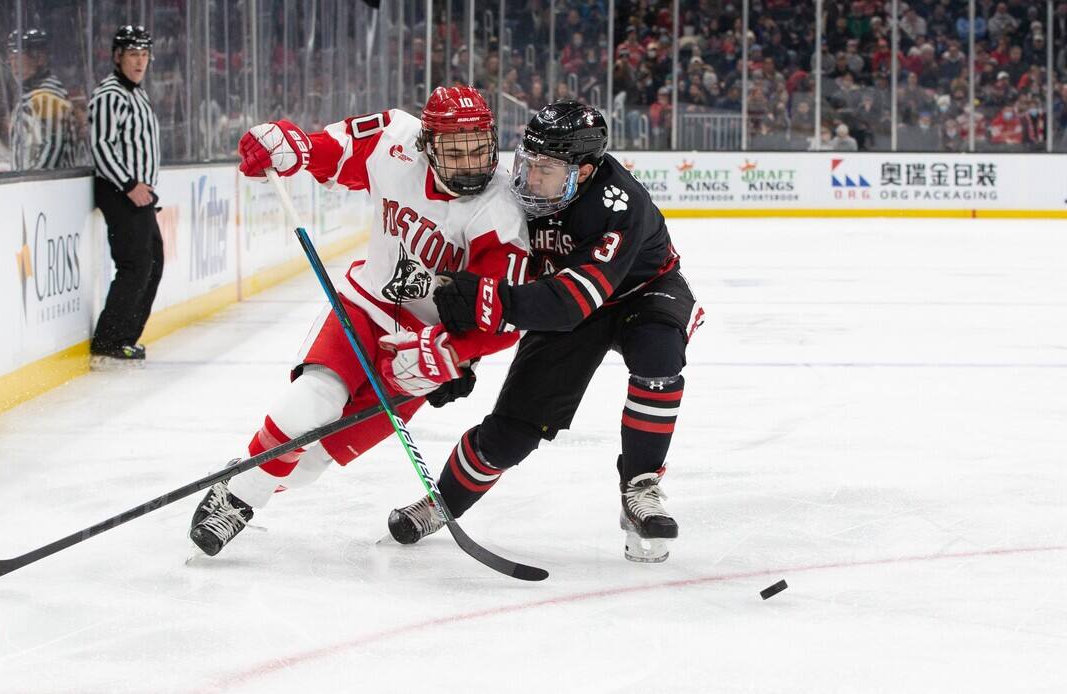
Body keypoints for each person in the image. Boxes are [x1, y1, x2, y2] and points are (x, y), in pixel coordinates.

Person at [187, 87, 530, 557]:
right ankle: (238, 501)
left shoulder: (502, 213)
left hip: (419, 349)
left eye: (478, 150)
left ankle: (246, 474)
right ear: (427, 145)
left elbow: (504, 316)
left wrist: (454, 354)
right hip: (363, 308)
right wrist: (291, 146)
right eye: (454, 153)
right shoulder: (394, 138)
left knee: (310, 465)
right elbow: (331, 151)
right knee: (312, 402)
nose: (470, 165)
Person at [388, 101, 704, 563]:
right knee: (511, 434)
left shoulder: (619, 203)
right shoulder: (512, 196)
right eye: (528, 163)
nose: (531, 179)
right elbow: (495, 283)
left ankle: (640, 486)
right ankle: (443, 503)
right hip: (563, 300)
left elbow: (568, 302)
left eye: (547, 169)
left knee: (659, 358)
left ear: (585, 171)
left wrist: (483, 309)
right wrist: (462, 353)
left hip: (642, 293)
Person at [88, 25, 162, 367]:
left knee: (153, 263)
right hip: (121, 192)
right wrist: (130, 184)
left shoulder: (137, 95)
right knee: (135, 265)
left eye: (144, 55)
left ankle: (126, 337)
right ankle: (109, 340)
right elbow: (101, 146)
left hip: (140, 194)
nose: (140, 61)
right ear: (118, 57)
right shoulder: (110, 95)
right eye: (133, 54)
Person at [6, 28, 78, 171]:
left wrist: (27, 183)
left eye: (20, 57)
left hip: (45, 185)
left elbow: (49, 156)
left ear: (40, 58)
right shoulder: (32, 96)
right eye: (12, 58)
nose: (14, 65)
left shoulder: (47, 99)